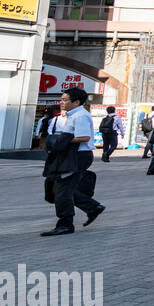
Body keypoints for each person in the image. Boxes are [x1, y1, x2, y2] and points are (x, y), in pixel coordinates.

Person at [40, 87, 107, 236]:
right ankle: (92, 207)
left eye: (65, 100)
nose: (61, 102)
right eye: (61, 99)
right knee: (61, 188)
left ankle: (66, 224)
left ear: (76, 102)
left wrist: (61, 140)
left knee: (62, 189)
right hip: (71, 155)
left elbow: (84, 137)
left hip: (78, 156)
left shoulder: (80, 116)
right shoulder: (73, 115)